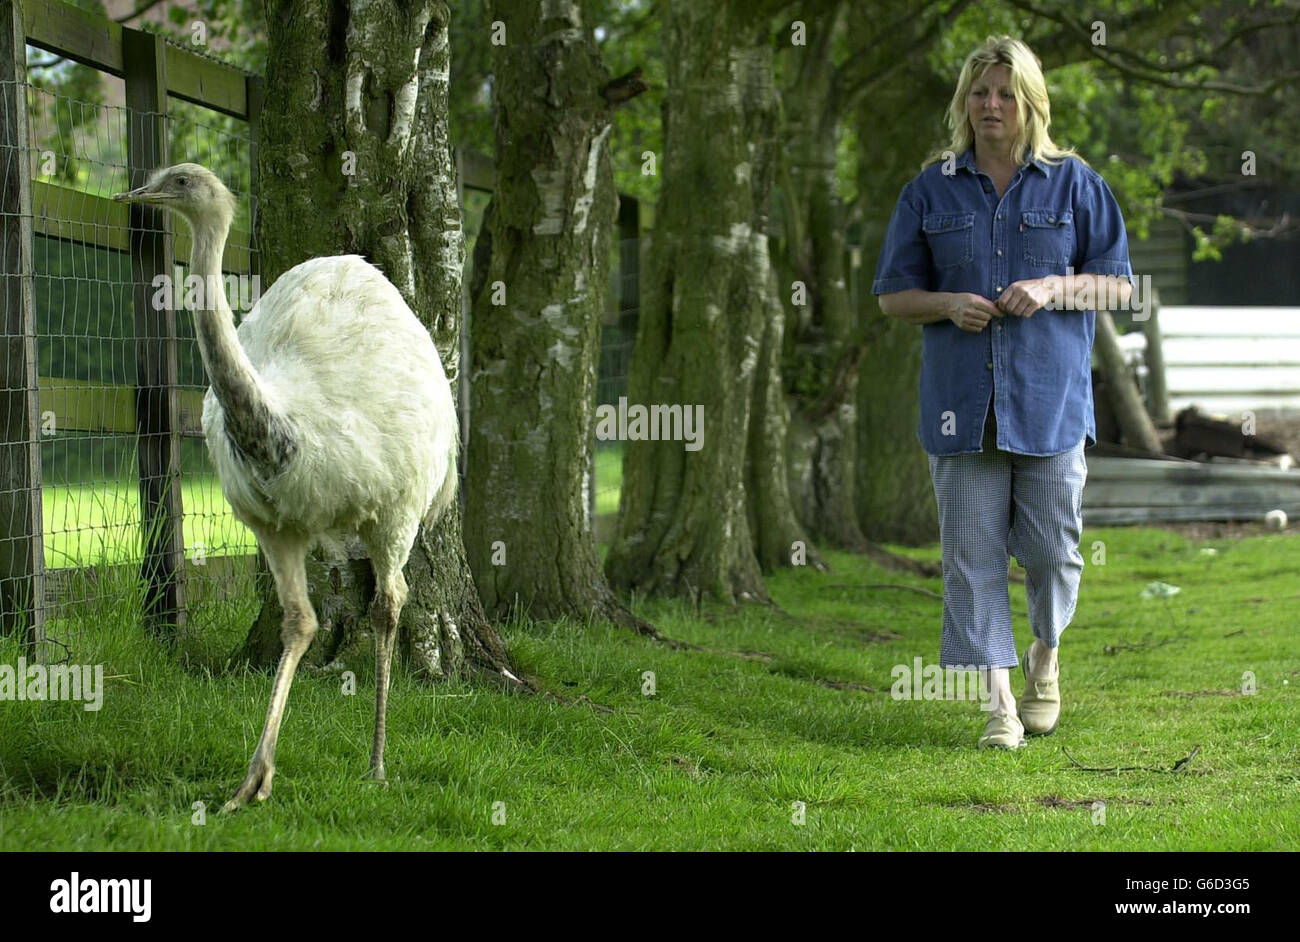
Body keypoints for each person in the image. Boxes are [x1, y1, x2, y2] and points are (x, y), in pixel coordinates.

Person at [872, 35, 1134, 749]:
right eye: (980, 92)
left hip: (1050, 404)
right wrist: (948, 305)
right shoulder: (928, 189)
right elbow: (893, 297)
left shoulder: (1076, 184)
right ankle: (999, 707)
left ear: (1030, 102)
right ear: (964, 102)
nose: (991, 105)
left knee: (1053, 551)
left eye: (1005, 92)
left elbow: (1119, 283)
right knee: (970, 558)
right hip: (960, 409)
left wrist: (1054, 287)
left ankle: (1045, 660)